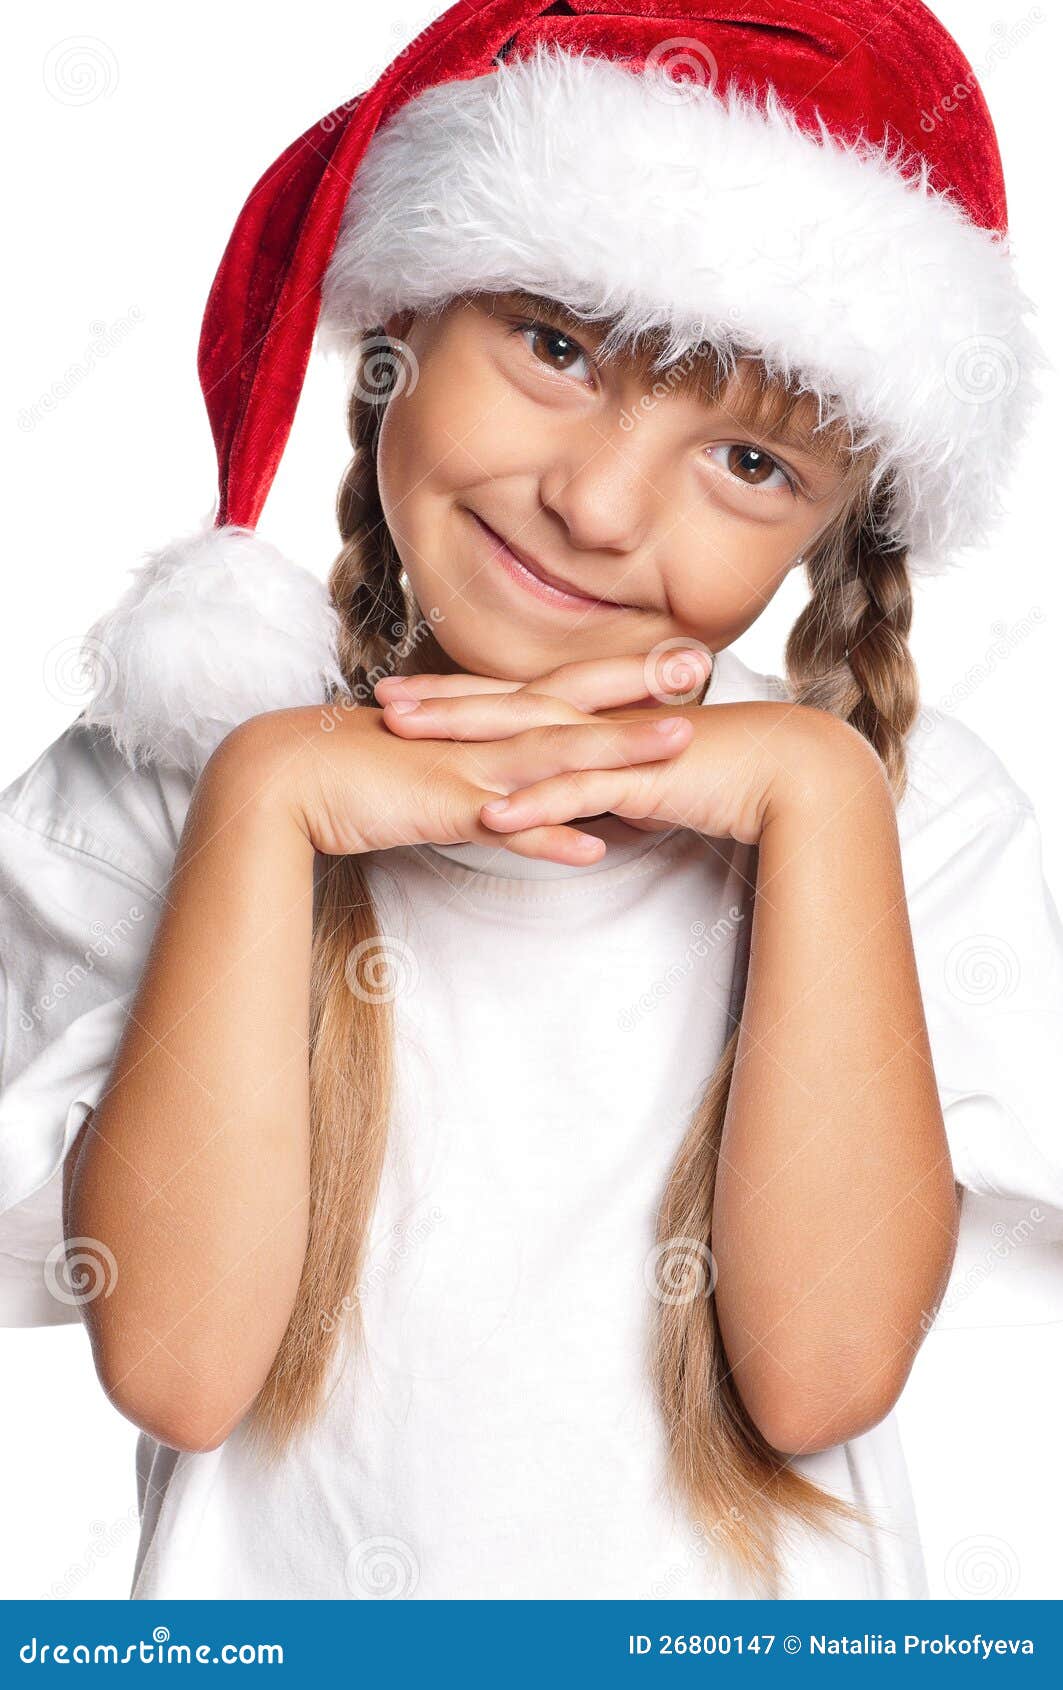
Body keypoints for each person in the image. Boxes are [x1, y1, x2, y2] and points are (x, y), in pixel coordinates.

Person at [2, 0, 1061, 1602]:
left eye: (752, 463)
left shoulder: (911, 817)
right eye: (555, 346)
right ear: (406, 324)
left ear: (838, 533)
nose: (596, 502)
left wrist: (821, 806)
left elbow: (822, 1373)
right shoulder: (176, 770)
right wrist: (268, 799)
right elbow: (178, 1365)